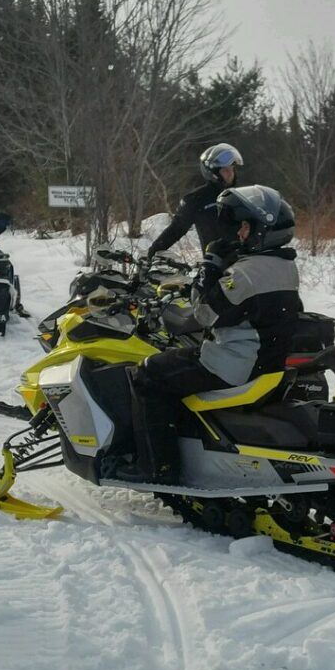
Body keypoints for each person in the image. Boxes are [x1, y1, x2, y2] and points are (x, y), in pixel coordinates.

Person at [113, 184, 302, 482]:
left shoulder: (244, 274)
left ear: (258, 230)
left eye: (243, 227)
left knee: (148, 374)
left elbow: (203, 313)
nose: (238, 234)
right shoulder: (283, 266)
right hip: (265, 360)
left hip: (233, 364)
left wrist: (210, 267)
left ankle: (158, 467)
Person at [144, 143, 242, 257]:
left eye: (232, 170)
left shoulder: (242, 196)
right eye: (225, 170)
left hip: (248, 263)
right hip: (217, 266)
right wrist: (152, 253)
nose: (230, 174)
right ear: (213, 173)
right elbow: (176, 229)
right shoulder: (197, 199)